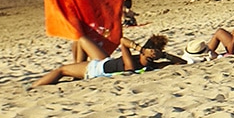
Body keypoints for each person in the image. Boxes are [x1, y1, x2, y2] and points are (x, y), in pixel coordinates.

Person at [31, 34, 183, 86]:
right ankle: (75, 76)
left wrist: (159, 54)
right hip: (105, 60)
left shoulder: (132, 64)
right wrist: (149, 52)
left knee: (61, 69)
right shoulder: (152, 65)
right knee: (81, 39)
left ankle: (34, 86)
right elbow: (180, 63)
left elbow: (182, 63)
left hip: (94, 69)